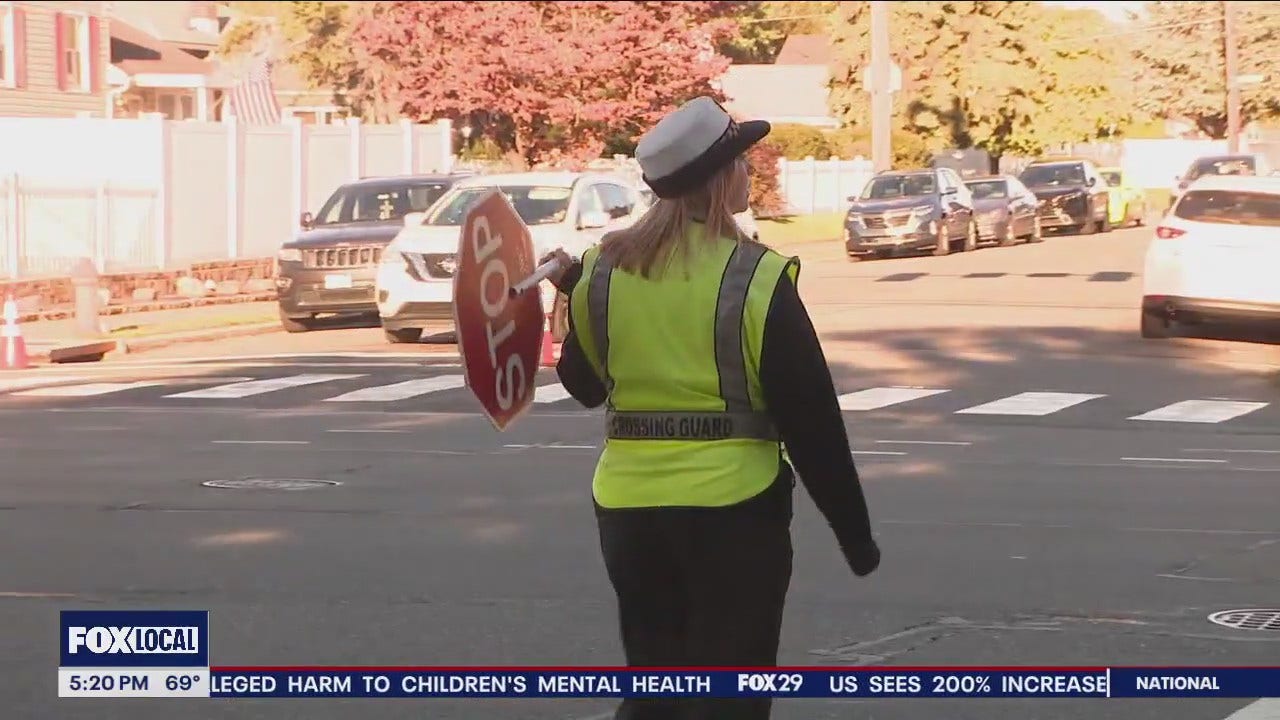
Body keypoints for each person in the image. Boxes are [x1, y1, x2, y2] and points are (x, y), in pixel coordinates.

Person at [540, 96, 880, 720]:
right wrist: (855, 537)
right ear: (720, 177)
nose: (751, 172)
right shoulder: (756, 277)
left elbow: (586, 387)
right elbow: (813, 425)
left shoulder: (600, 273)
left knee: (655, 688)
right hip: (734, 511)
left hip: (628, 511)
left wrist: (572, 295)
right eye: (744, 161)